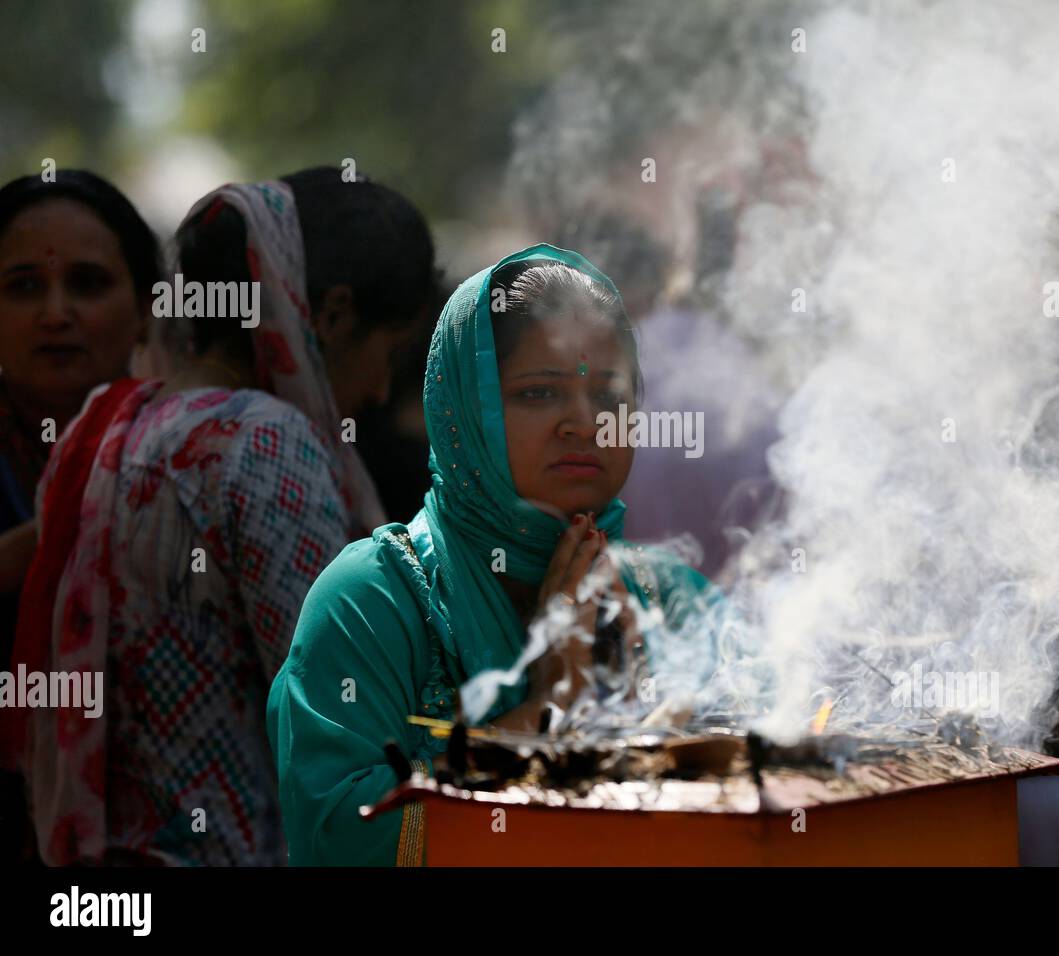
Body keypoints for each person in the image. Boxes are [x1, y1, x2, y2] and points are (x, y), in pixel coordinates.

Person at [8, 169, 436, 865]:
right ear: (329, 315)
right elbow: (339, 717)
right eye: (386, 354)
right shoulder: (265, 441)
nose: (383, 389)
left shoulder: (112, 427)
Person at [268, 244, 722, 865]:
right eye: (540, 394)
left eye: (612, 395)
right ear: (464, 410)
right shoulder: (372, 600)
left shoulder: (671, 595)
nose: (585, 423)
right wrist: (546, 711)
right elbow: (342, 839)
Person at [0, 170, 161, 865]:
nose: (55, 313)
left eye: (89, 284)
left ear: (148, 309)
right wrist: (67, 521)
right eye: (23, 287)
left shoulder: (194, 461)